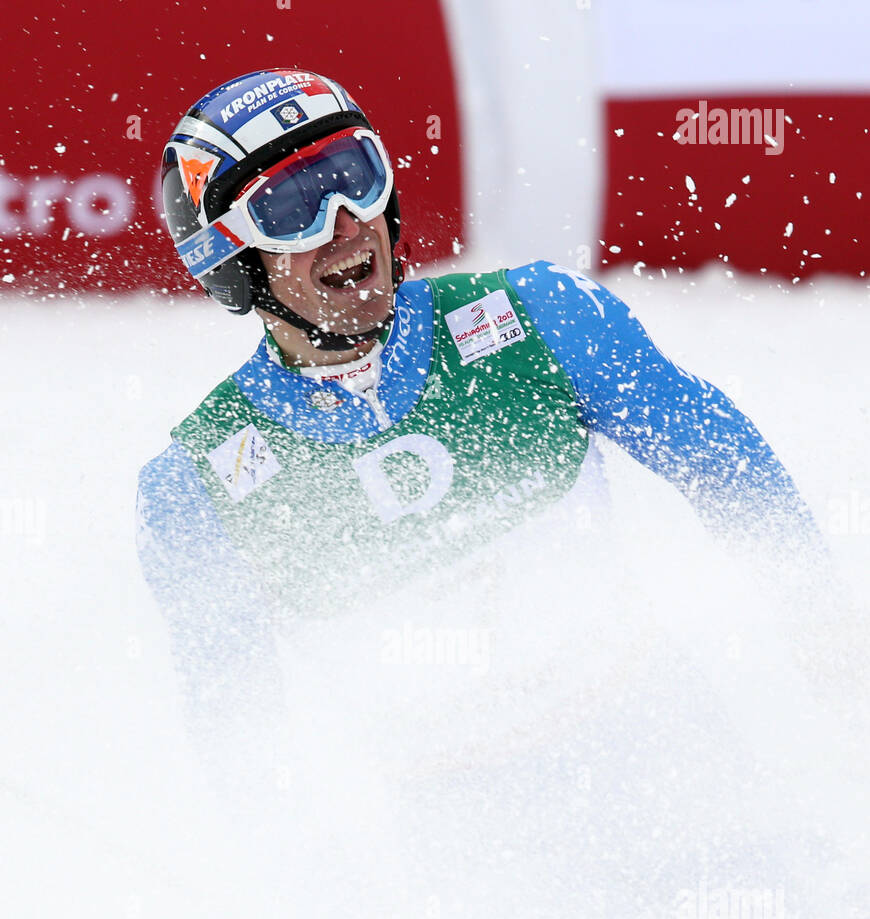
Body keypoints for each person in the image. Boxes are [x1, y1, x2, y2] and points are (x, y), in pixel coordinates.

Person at [138, 66, 829, 774]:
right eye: (292, 207)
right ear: (229, 261)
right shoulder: (199, 484)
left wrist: (822, 632)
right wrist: (293, 873)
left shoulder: (539, 314)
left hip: (674, 758)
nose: (344, 221)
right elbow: (236, 727)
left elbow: (725, 463)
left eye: (355, 174)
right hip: (455, 842)